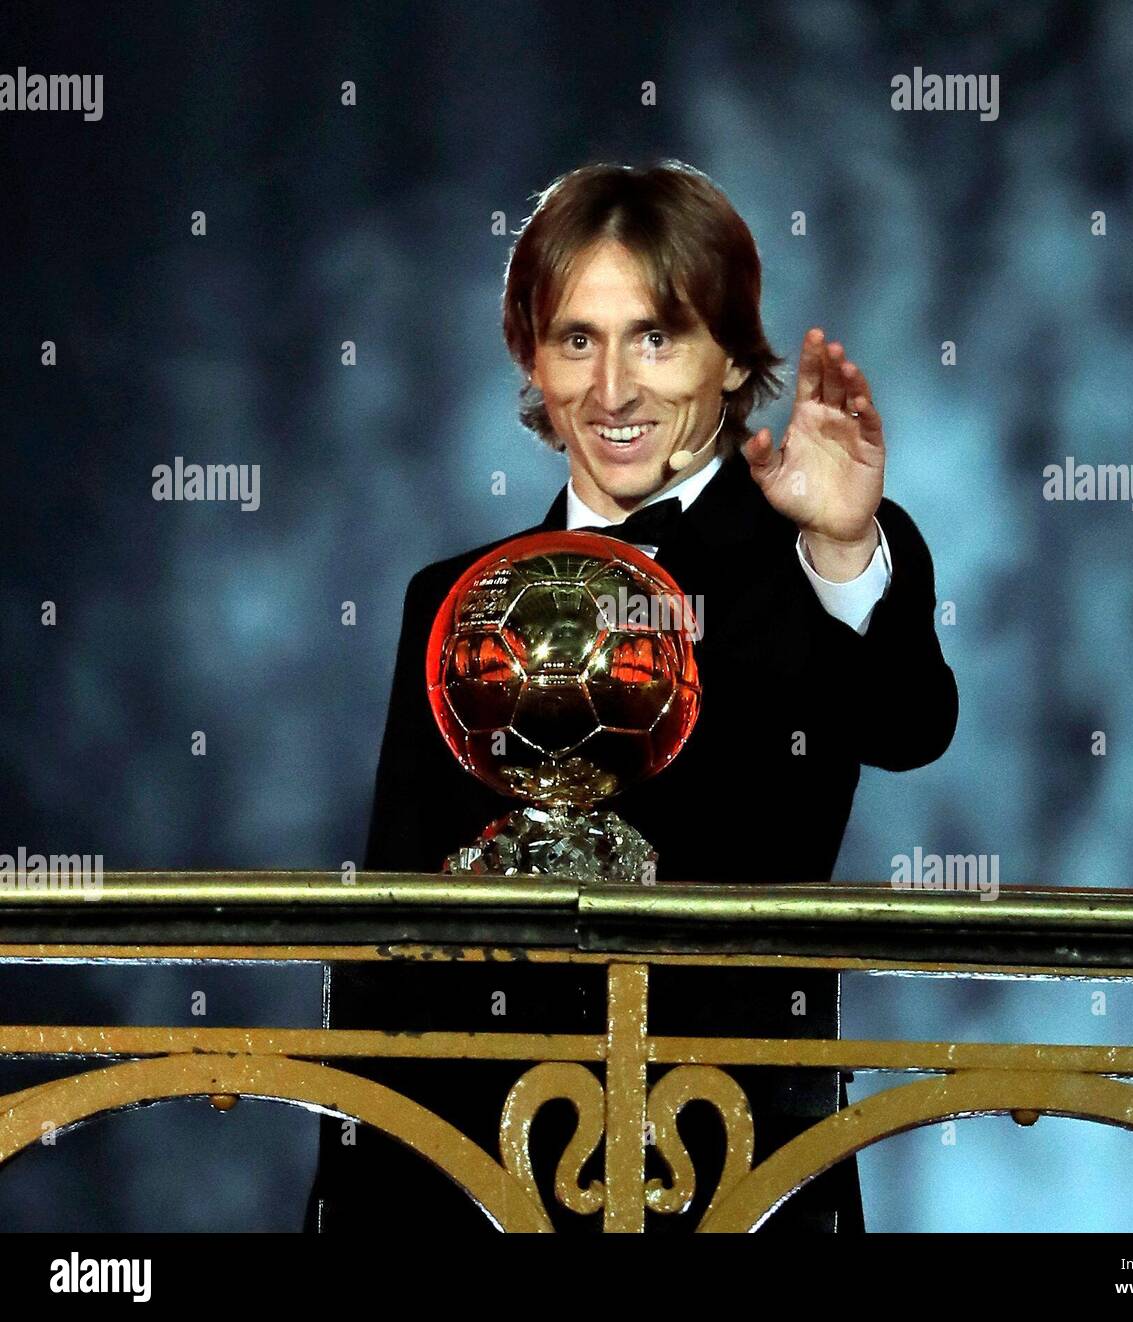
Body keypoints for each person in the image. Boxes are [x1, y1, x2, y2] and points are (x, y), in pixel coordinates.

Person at [306, 160, 958, 1234]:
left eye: (657, 336)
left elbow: (906, 724)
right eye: (577, 338)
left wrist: (840, 546)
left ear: (732, 353)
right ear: (530, 354)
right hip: (471, 1168)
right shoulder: (452, 597)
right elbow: (391, 927)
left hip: (729, 1160)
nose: (614, 389)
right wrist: (352, 1187)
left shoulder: (821, 549)